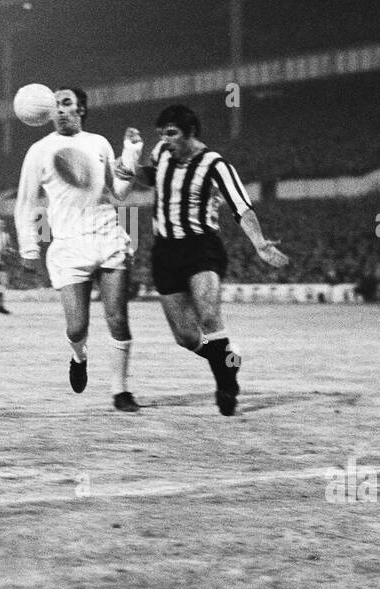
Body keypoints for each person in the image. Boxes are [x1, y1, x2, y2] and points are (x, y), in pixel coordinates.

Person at [123, 104, 288, 416]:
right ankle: (228, 359)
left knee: (209, 315)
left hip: (202, 247)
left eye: (171, 133)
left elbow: (241, 206)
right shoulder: (161, 153)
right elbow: (149, 178)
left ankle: (226, 388)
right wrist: (129, 162)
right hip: (165, 250)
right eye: (162, 134)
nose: (165, 139)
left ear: (191, 132)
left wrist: (258, 242)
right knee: (185, 337)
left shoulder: (215, 164)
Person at [15, 87, 144, 412]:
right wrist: (28, 247)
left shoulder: (98, 143)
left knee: (118, 318)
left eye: (66, 103)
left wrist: (130, 154)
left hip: (108, 237)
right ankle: (78, 356)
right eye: (55, 104)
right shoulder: (38, 150)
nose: (59, 109)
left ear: (81, 109)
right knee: (77, 327)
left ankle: (120, 390)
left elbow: (120, 193)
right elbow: (26, 203)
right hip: (69, 246)